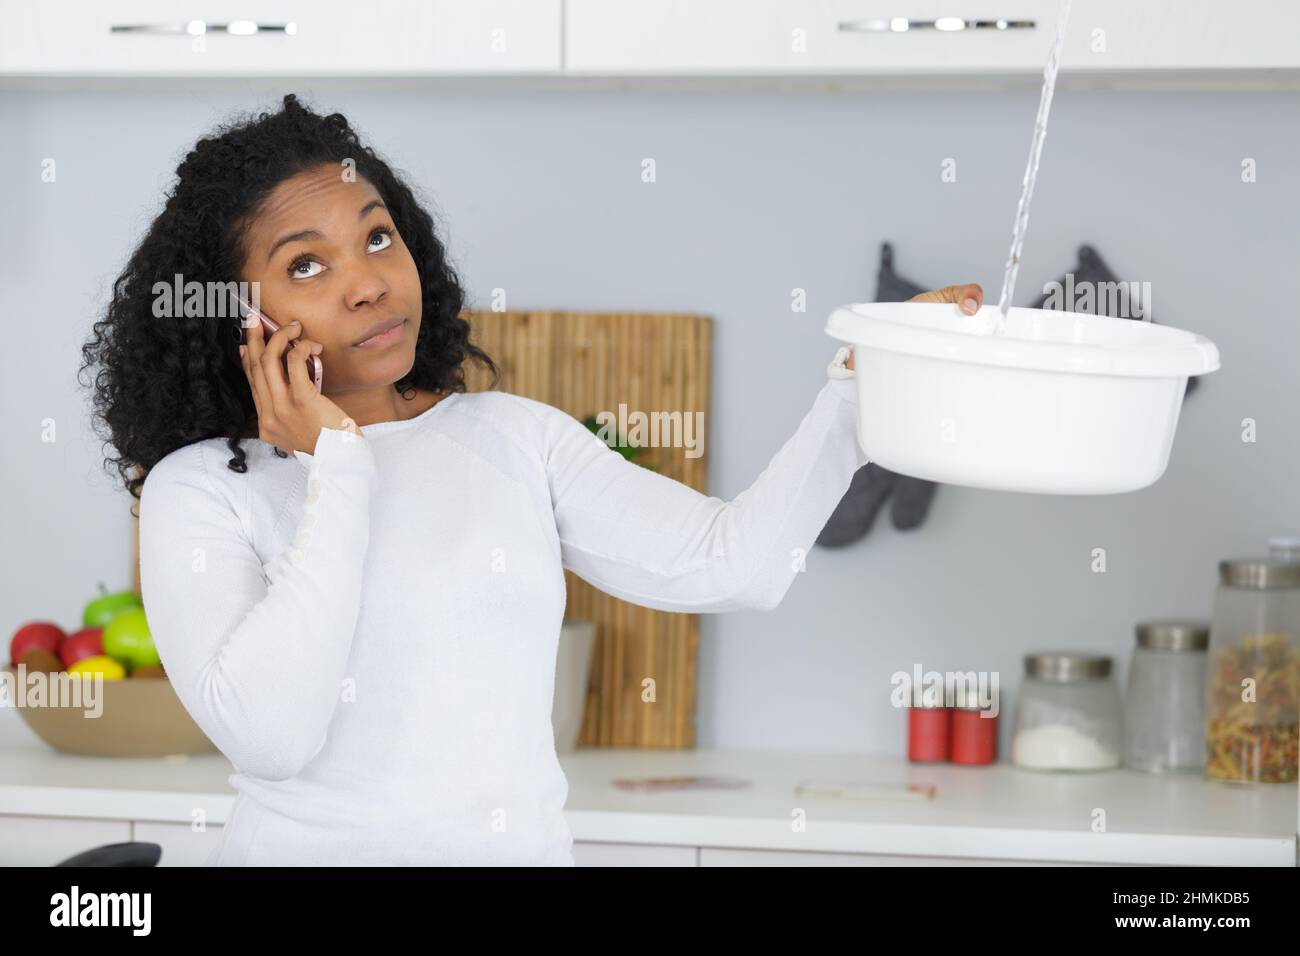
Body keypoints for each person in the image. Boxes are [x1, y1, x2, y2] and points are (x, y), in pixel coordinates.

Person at [80, 93, 983, 865]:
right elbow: (273, 738)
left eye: (378, 237)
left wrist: (865, 383)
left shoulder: (513, 440)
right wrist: (341, 465)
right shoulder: (201, 490)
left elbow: (734, 561)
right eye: (306, 264)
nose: (366, 284)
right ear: (236, 317)